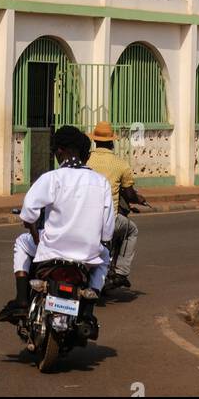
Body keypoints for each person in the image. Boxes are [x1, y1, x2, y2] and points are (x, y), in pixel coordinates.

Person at [0, 125, 114, 323]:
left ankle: (22, 299)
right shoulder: (101, 182)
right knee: (105, 258)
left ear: (60, 151)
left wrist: (37, 238)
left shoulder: (52, 178)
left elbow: (28, 214)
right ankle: (88, 308)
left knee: (21, 242)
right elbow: (108, 232)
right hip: (87, 256)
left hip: (53, 251)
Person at [86, 121, 147, 288]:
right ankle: (121, 271)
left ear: (95, 141)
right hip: (108, 220)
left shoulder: (86, 160)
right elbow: (129, 194)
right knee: (131, 230)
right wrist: (138, 199)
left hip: (84, 217)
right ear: (112, 142)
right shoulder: (121, 165)